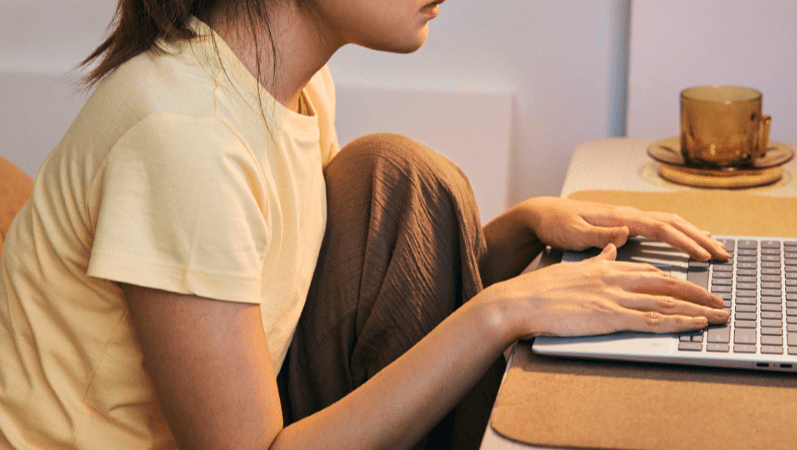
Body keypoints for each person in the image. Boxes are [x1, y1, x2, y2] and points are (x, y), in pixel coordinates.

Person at [0, 0, 731, 449]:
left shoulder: (293, 86)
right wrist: (502, 310)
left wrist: (525, 231)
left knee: (400, 174)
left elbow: (290, 269)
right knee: (409, 188)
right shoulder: (185, 137)